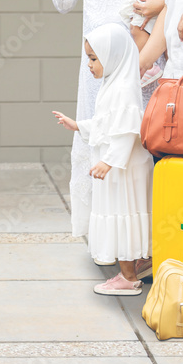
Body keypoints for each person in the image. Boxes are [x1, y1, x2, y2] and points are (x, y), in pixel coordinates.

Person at [49, 0, 142, 252]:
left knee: (129, 136)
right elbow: (63, 5)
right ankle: (101, 234)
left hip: (136, 57)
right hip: (94, 64)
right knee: (96, 132)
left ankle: (136, 237)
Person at [52, 23, 153, 295]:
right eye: (89, 58)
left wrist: (109, 161)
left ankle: (129, 278)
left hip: (122, 170)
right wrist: (79, 125)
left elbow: (126, 131)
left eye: (94, 58)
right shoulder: (114, 86)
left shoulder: (124, 90)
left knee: (123, 217)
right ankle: (127, 272)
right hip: (117, 170)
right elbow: (106, 122)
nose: (89, 65)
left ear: (114, 57)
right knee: (120, 217)